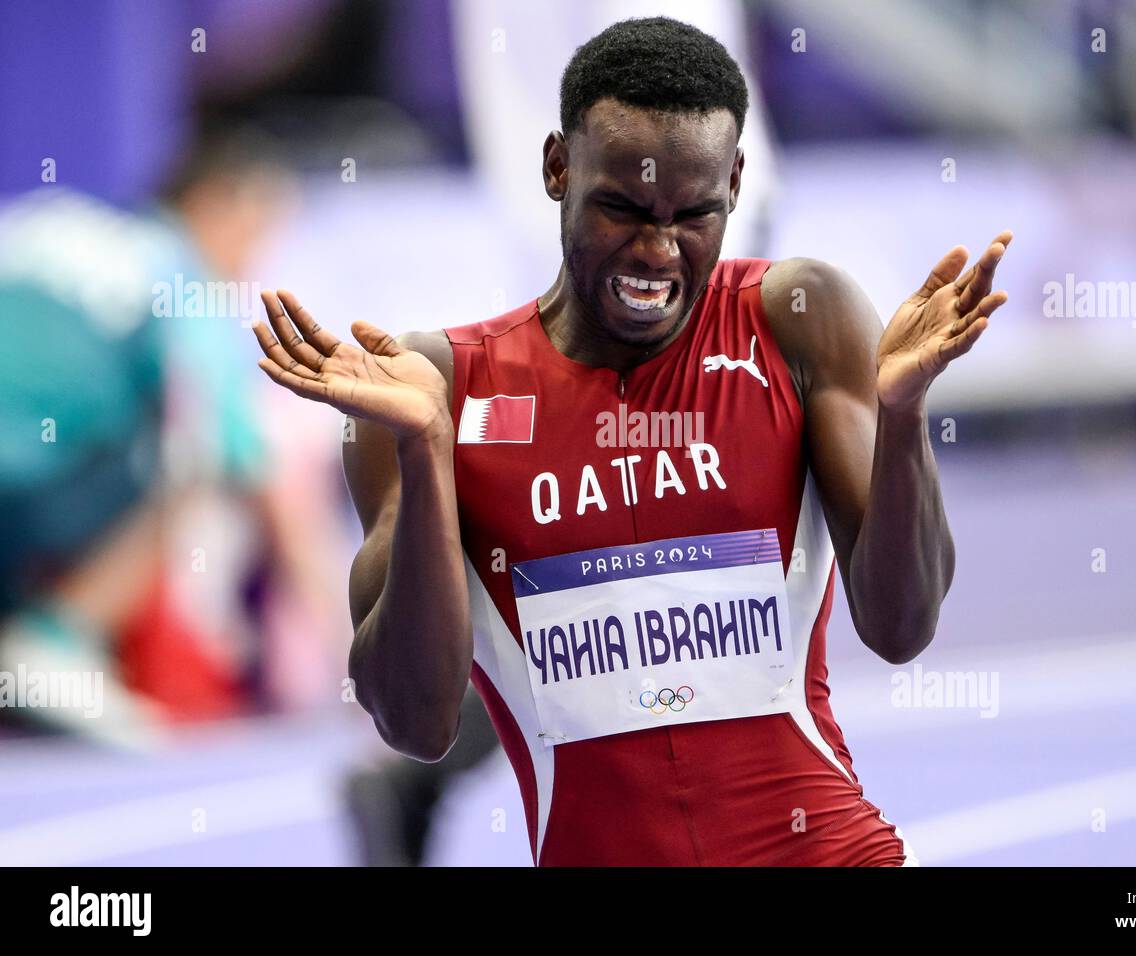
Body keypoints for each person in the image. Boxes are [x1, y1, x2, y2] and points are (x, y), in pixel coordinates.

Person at [252, 16, 1011, 866]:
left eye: (695, 214)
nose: (657, 253)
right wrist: (429, 454)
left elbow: (902, 628)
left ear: (737, 184)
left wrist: (904, 418)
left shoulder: (798, 320)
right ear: (557, 169)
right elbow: (415, 722)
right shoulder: (436, 386)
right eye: (622, 209)